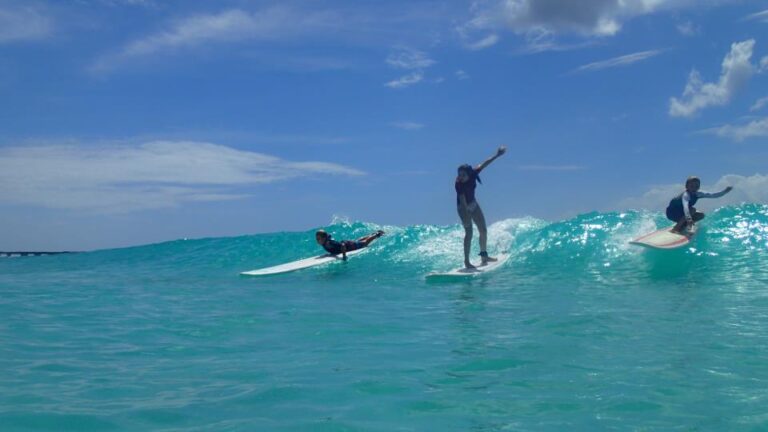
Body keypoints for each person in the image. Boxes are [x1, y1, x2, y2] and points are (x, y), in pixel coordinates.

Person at [456, 146, 506, 268]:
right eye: (459, 174)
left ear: (468, 173)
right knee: (469, 233)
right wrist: (467, 214)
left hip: (473, 203)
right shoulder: (458, 184)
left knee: (483, 230)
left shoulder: (473, 173)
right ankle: (467, 262)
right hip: (462, 208)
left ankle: (484, 256)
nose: (460, 177)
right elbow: (462, 201)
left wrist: (497, 155)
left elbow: (485, 163)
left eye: (463, 174)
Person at [666, 176, 733, 234]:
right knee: (692, 210)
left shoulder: (698, 194)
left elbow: (713, 195)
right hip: (672, 213)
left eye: (696, 186)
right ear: (686, 186)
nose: (694, 188)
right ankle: (676, 228)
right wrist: (689, 219)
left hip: (681, 214)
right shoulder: (685, 195)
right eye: (692, 186)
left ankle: (683, 225)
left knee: (701, 215)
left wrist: (725, 191)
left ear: (699, 187)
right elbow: (686, 208)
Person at [315, 229, 384, 260]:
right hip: (347, 243)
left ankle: (377, 234)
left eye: (319, 239)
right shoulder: (324, 243)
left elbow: (342, 245)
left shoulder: (329, 242)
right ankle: (372, 234)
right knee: (358, 241)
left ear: (324, 238)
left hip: (349, 246)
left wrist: (344, 257)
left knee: (364, 243)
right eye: (317, 239)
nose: (317, 240)